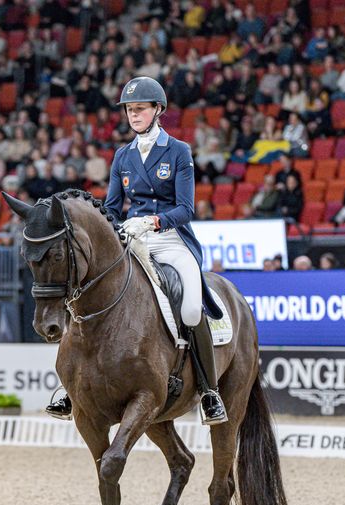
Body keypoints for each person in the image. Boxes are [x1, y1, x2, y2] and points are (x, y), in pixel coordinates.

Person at [44, 77, 227, 425]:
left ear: (158, 110)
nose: (134, 114)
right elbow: (111, 207)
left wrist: (154, 222)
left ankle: (209, 391)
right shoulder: (122, 155)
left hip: (171, 239)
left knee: (189, 309)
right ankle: (72, 387)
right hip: (131, 239)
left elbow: (186, 208)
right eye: (130, 109)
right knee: (87, 292)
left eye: (140, 108)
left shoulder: (178, 151)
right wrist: (112, 227)